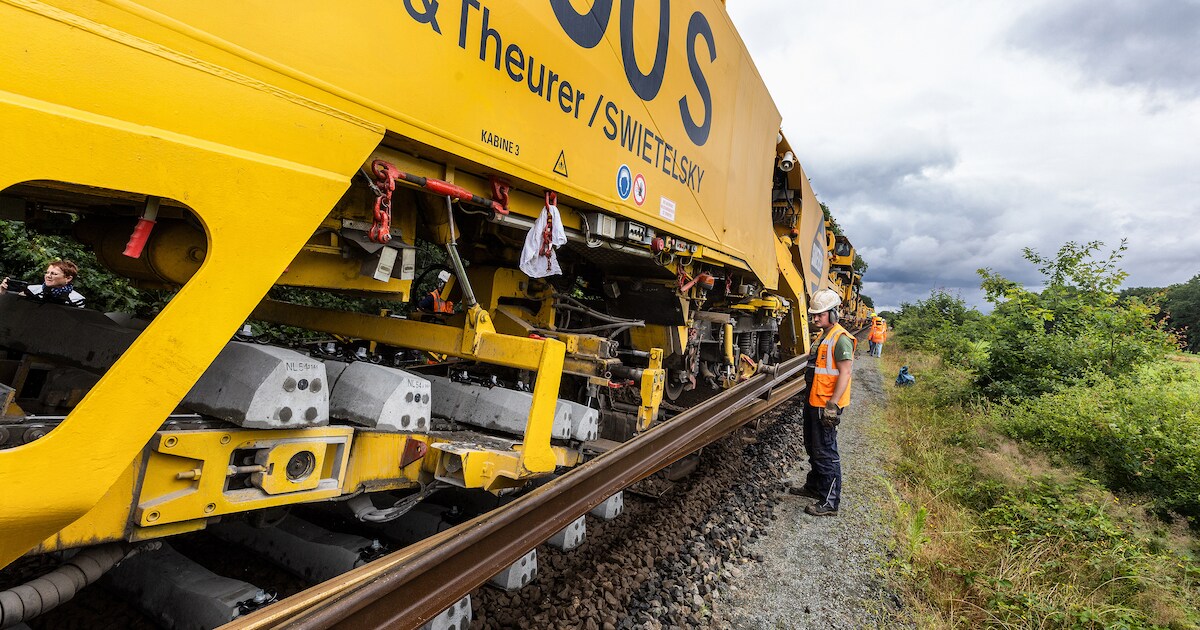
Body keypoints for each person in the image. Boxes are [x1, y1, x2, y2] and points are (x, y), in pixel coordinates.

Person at [788, 288, 855, 516]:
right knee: (813, 446)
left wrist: (832, 405)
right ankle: (814, 487)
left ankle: (830, 502)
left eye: (820, 314)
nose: (815, 318)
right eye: (814, 314)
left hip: (826, 405)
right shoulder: (823, 335)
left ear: (834, 314)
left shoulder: (841, 339)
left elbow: (845, 374)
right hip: (814, 400)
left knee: (826, 451)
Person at [0, 259, 86, 307]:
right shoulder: (30, 290)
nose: (48, 276)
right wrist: (2, 293)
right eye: (47, 272)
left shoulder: (77, 300)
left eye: (54, 274)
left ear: (68, 278)